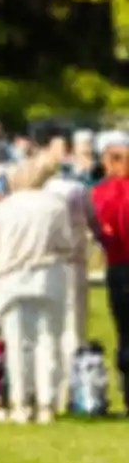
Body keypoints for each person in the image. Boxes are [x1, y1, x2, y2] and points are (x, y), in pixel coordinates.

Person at [0, 157, 75, 424]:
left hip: (11, 280)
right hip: (47, 276)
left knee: (18, 343)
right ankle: (46, 403)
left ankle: (21, 402)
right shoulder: (55, 206)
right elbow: (66, 245)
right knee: (48, 340)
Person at [44, 145, 101, 411]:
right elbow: (94, 223)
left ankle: (53, 391)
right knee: (74, 328)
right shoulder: (78, 190)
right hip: (73, 262)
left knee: (50, 330)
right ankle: (73, 390)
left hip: (50, 265)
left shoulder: (45, 191)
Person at [92, 131, 129, 400]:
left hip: (119, 266)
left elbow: (103, 232)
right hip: (119, 265)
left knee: (125, 331)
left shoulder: (102, 193)